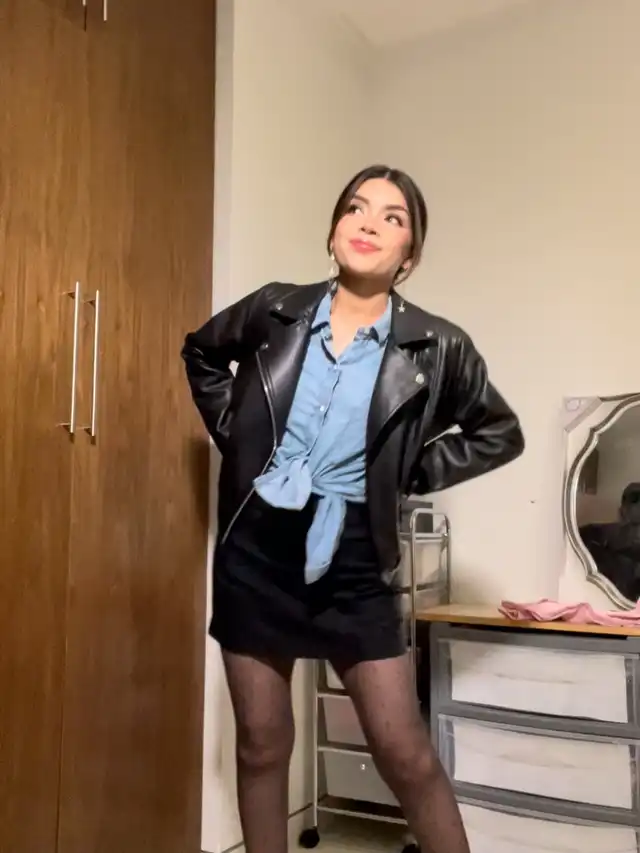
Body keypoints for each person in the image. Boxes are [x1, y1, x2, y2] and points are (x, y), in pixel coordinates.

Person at [182, 164, 525, 853]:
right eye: (356, 209)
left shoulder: (438, 345)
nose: (369, 223)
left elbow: (499, 432)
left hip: (357, 563)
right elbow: (202, 354)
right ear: (335, 229)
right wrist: (242, 438)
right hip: (255, 553)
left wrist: (407, 470)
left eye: (392, 218)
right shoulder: (275, 310)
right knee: (260, 743)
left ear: (409, 255)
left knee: (406, 754)